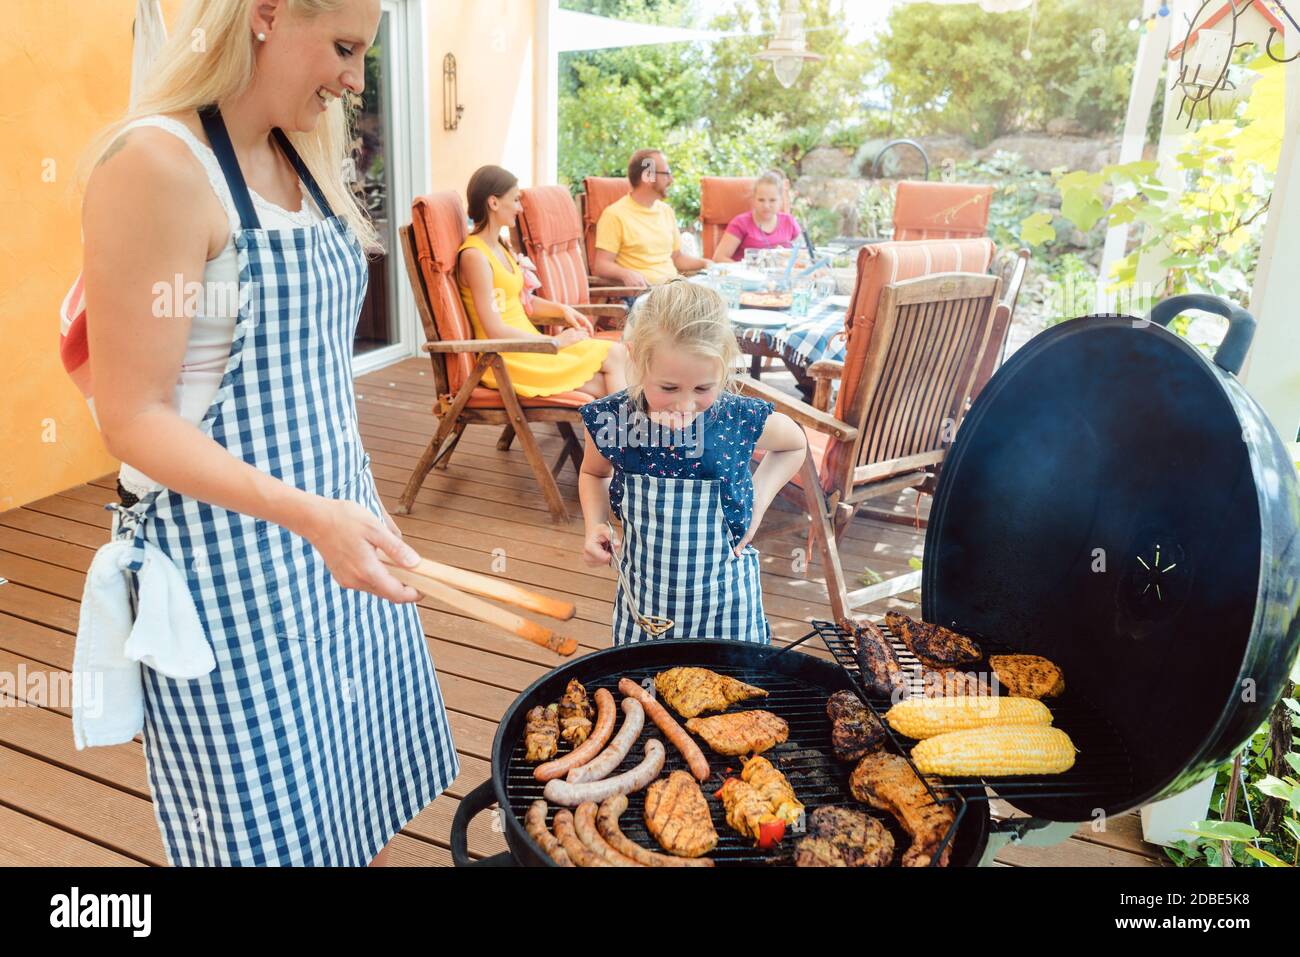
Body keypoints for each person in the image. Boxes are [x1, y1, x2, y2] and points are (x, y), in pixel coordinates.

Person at [78, 0, 458, 866]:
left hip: (330, 532)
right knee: (260, 824)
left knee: (340, 786)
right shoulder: (157, 167)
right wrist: (311, 513)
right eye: (344, 48)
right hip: (231, 561)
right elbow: (129, 417)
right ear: (266, 13)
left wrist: (352, 504)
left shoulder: (299, 155)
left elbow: (316, 379)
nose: (358, 82)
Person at [577, 281, 806, 645]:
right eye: (668, 388)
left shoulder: (737, 419)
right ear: (635, 359)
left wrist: (756, 505)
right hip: (644, 607)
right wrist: (595, 524)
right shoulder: (613, 421)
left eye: (703, 389)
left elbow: (794, 444)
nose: (685, 405)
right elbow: (593, 473)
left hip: (728, 608)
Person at [457, 165, 627, 398]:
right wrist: (554, 341)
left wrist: (562, 310)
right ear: (493, 203)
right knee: (606, 378)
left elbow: (523, 303)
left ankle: (633, 432)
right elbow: (494, 328)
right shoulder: (474, 256)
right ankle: (633, 432)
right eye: (515, 200)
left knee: (619, 355)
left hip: (532, 347)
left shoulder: (500, 246)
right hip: (507, 357)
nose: (519, 208)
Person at [591, 149, 709, 289]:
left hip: (673, 291)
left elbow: (677, 258)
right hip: (643, 296)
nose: (671, 180)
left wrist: (706, 263)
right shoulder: (614, 215)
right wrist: (626, 274)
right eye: (666, 174)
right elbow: (601, 265)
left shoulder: (666, 211)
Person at [712, 170, 801, 263]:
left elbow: (802, 253)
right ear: (753, 199)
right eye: (761, 200)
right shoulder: (740, 223)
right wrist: (745, 271)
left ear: (781, 200)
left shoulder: (789, 222)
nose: (766, 206)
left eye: (772, 200)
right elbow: (719, 258)